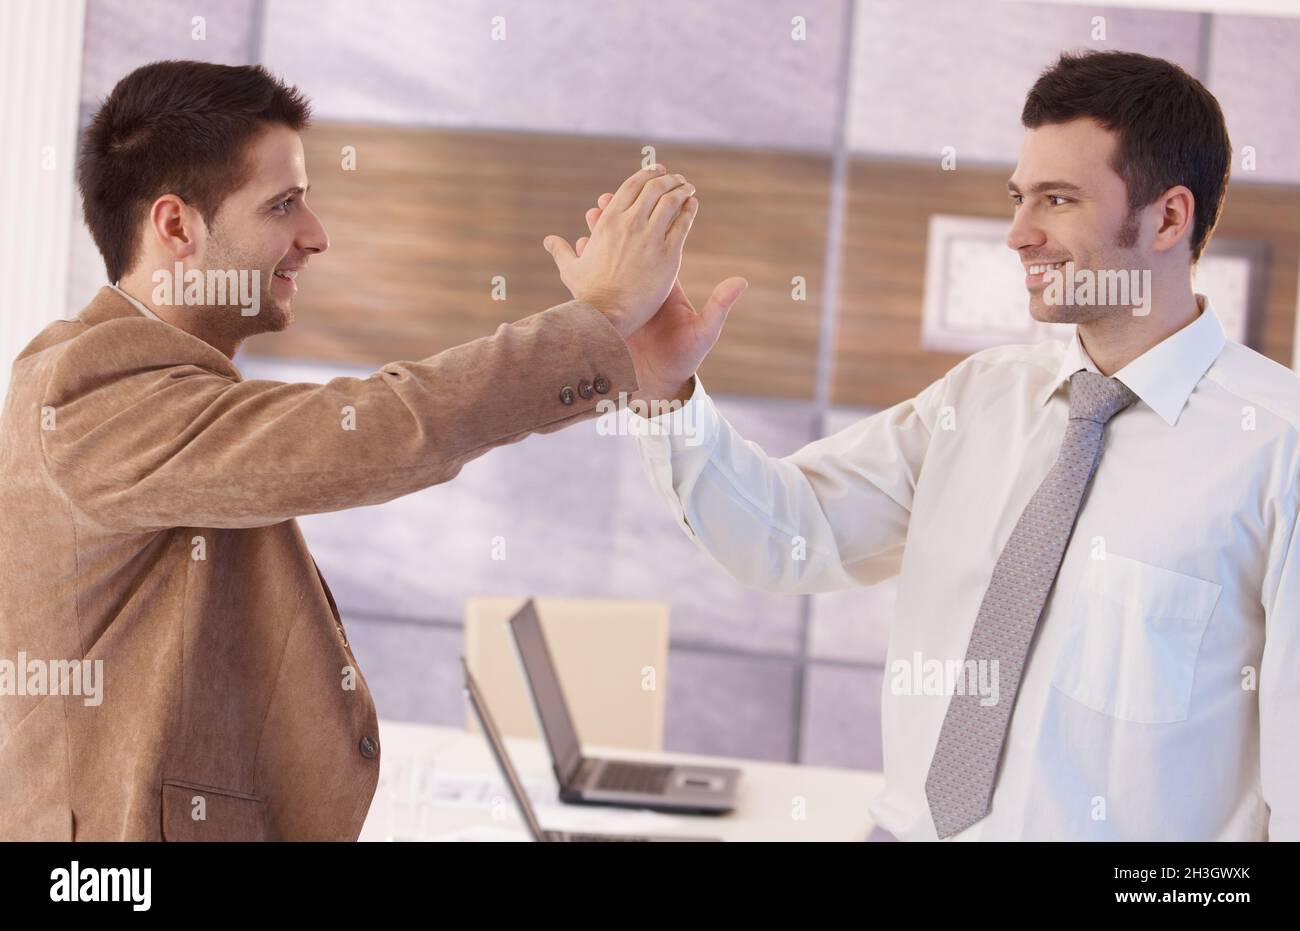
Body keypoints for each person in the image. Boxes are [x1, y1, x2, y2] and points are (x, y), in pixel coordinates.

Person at [0, 59, 744, 840]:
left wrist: (626, 360)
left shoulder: (168, 394)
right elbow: (377, 428)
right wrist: (597, 318)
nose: (314, 237)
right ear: (177, 227)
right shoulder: (86, 389)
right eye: (283, 204)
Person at [618, 49, 1300, 841]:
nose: (1018, 234)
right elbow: (788, 534)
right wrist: (666, 390)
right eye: (1019, 197)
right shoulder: (979, 398)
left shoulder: (1277, 450)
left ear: (1169, 218)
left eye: (1057, 199)